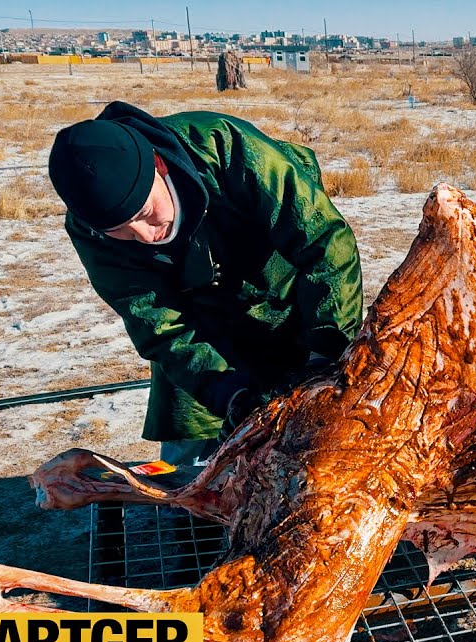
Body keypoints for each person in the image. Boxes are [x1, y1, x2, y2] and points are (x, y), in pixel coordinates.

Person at [48, 101, 364, 466]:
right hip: (200, 321)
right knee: (189, 441)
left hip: (287, 299)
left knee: (315, 435)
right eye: (119, 231)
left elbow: (325, 244)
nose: (144, 236)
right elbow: (159, 324)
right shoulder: (91, 232)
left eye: (145, 213)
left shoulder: (226, 147)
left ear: (159, 165)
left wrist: (324, 351)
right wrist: (227, 392)